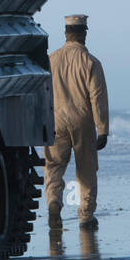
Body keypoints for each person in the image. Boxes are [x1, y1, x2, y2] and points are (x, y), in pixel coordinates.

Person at [44, 15, 109, 231]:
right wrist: (103, 129)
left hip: (55, 120)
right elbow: (97, 98)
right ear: (84, 34)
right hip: (82, 121)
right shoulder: (91, 62)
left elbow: (42, 94)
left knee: (54, 166)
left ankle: (54, 201)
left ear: (65, 34)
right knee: (86, 169)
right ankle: (86, 216)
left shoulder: (51, 59)